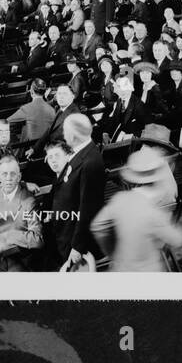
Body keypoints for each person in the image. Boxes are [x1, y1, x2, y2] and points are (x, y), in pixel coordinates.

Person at [89, 146, 182, 272]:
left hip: (121, 266)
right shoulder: (154, 210)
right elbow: (176, 239)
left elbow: (98, 226)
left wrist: (112, 252)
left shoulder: (120, 199)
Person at [46, 113, 106, 271]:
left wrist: (77, 246)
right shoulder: (81, 152)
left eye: (65, 131)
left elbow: (88, 208)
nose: (63, 135)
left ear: (73, 134)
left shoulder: (90, 162)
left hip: (72, 236)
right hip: (64, 229)